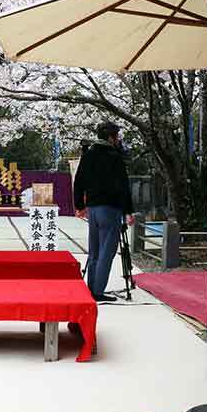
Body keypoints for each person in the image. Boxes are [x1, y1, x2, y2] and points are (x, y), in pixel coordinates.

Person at [73, 122, 135, 302]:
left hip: (93, 209)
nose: (118, 140)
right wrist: (128, 211)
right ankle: (97, 291)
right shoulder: (115, 157)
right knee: (107, 251)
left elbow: (79, 182)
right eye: (116, 136)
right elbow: (123, 185)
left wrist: (79, 206)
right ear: (111, 137)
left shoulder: (88, 154)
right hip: (111, 208)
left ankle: (91, 286)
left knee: (94, 250)